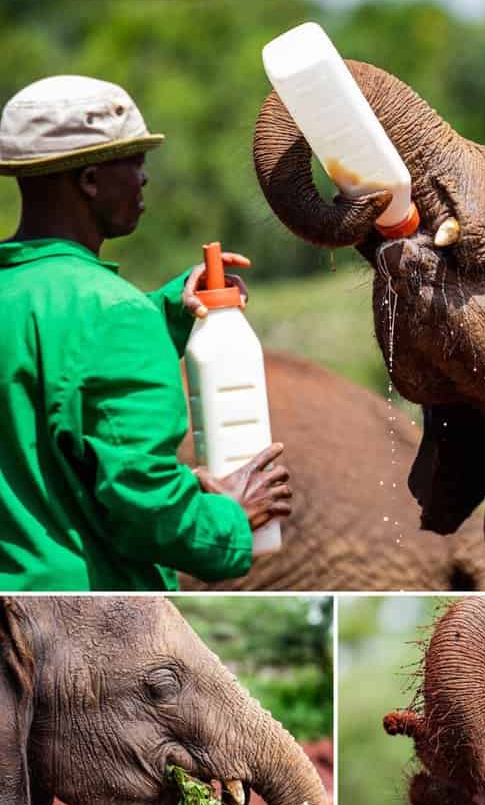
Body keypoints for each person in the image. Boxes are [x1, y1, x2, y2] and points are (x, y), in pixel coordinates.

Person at [0, 74, 291, 590]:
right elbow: (146, 507)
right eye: (132, 161)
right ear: (89, 180)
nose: (144, 177)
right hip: (85, 617)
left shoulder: (33, 297)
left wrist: (168, 312)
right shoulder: (113, 314)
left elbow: (48, 377)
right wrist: (230, 520)